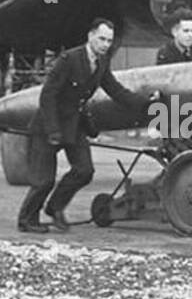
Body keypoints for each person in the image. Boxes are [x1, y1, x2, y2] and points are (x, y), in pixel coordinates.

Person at [17, 20, 162, 233]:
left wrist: (146, 104)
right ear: (90, 36)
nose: (105, 44)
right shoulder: (69, 60)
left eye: (110, 41)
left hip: (74, 124)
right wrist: (52, 129)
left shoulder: (101, 63)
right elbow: (48, 95)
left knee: (84, 171)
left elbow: (116, 91)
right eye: (102, 39)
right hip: (48, 125)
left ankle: (54, 207)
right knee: (44, 180)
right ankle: (26, 220)